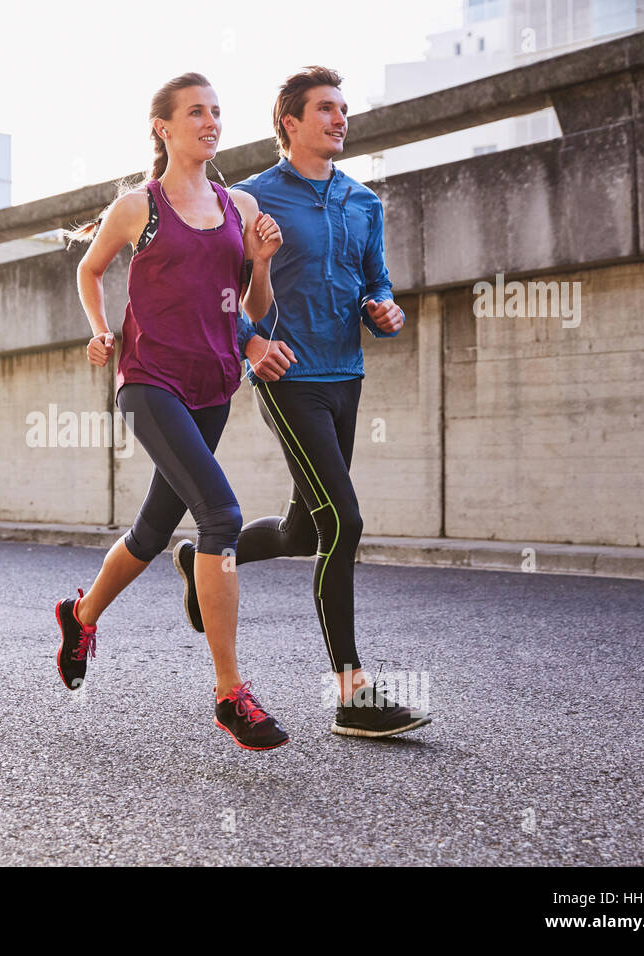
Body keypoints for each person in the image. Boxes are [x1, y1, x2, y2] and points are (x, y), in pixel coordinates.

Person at [171, 66, 433, 738]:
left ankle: (200, 562)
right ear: (290, 122)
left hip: (348, 375)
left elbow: (377, 282)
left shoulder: (362, 203)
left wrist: (385, 311)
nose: (340, 119)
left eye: (344, 110)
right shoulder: (250, 200)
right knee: (344, 522)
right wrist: (253, 343)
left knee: (302, 530)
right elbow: (215, 295)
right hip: (291, 381)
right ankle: (352, 692)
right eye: (325, 109)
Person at [54, 71, 289, 751]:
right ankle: (230, 695)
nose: (211, 122)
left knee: (155, 529)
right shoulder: (141, 207)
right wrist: (100, 329)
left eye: (217, 112)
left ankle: (80, 613)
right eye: (196, 112)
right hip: (149, 381)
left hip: (214, 383)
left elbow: (254, 311)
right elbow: (89, 269)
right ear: (163, 126)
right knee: (222, 515)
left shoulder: (239, 207)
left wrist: (264, 262)